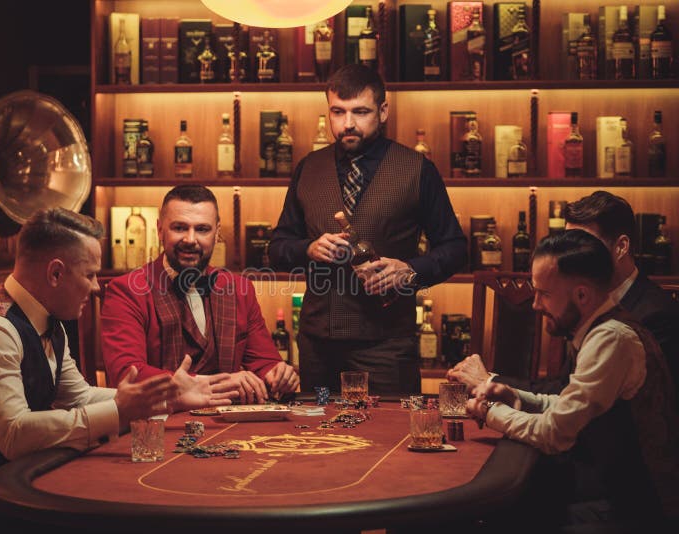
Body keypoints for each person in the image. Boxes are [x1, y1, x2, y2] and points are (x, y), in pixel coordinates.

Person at [0, 207, 234, 532]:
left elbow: (78, 397)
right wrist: (119, 411)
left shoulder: (48, 320)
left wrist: (165, 397)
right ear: (55, 272)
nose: (98, 287)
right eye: (90, 275)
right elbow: (14, 435)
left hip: (2, 487)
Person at [268, 64, 467, 395]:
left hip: (387, 347)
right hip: (317, 347)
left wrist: (410, 270)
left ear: (383, 110)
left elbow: (456, 248)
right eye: (338, 112)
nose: (348, 123)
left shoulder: (417, 170)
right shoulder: (308, 168)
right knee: (316, 441)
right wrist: (307, 249)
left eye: (360, 112)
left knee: (388, 441)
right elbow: (277, 247)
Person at [466, 229, 679, 527]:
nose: (535, 305)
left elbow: (554, 434)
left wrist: (490, 411)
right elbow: (570, 403)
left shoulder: (611, 339)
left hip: (635, 512)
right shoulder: (602, 328)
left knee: (490, 518)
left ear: (581, 294)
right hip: (616, 495)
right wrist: (515, 397)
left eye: (544, 294)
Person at [448, 190, 679, 395]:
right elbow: (562, 387)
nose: (567, 257)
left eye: (581, 245)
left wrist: (488, 381)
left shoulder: (656, 317)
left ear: (621, 247)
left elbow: (566, 394)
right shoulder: (587, 302)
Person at [101, 185, 299, 404]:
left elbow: (265, 363)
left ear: (217, 232)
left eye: (202, 229)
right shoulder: (126, 290)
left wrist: (278, 375)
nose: (190, 239)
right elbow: (128, 376)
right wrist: (215, 384)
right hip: (159, 426)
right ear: (159, 230)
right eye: (179, 228)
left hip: (229, 428)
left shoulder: (240, 289)